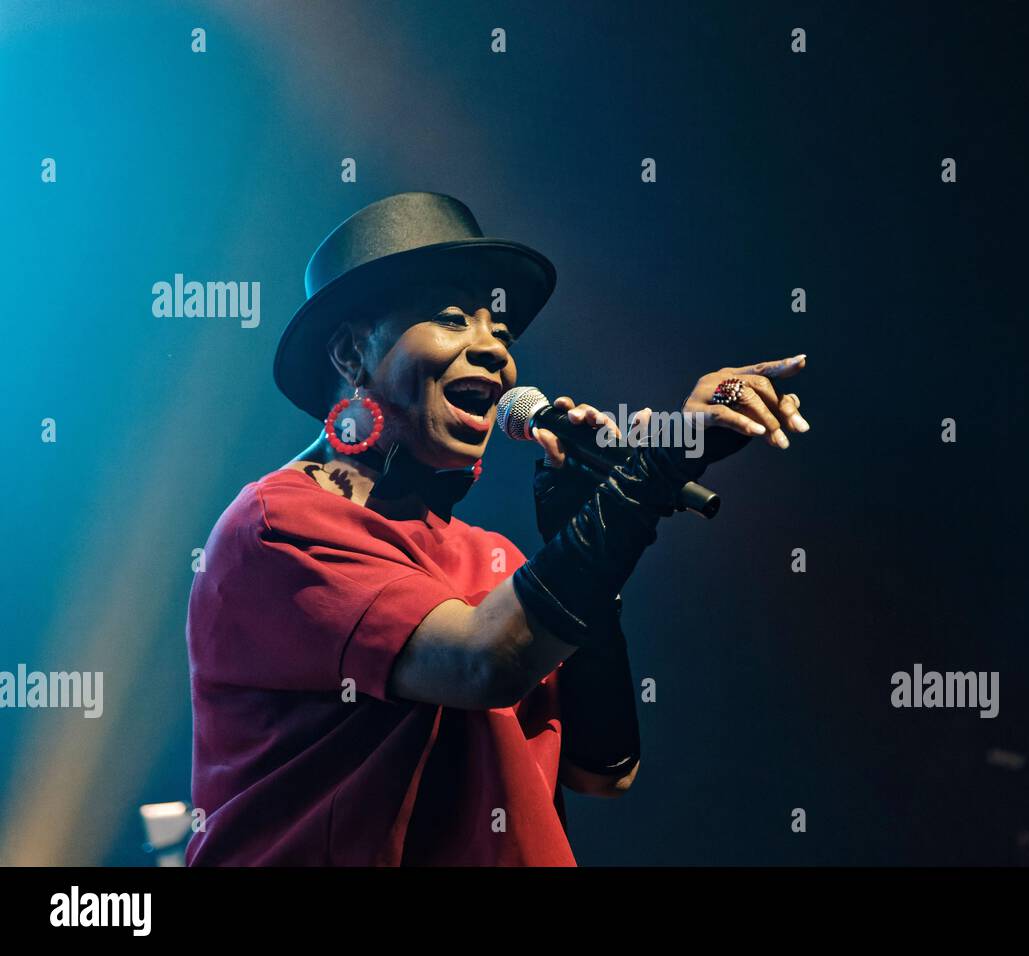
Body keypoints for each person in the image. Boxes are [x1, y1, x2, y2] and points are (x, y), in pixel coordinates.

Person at [185, 192, 810, 865]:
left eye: (502, 333)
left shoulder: (493, 560)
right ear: (349, 352)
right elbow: (484, 663)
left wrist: (592, 533)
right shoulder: (279, 525)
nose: (493, 350)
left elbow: (605, 770)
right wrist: (649, 479)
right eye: (453, 319)